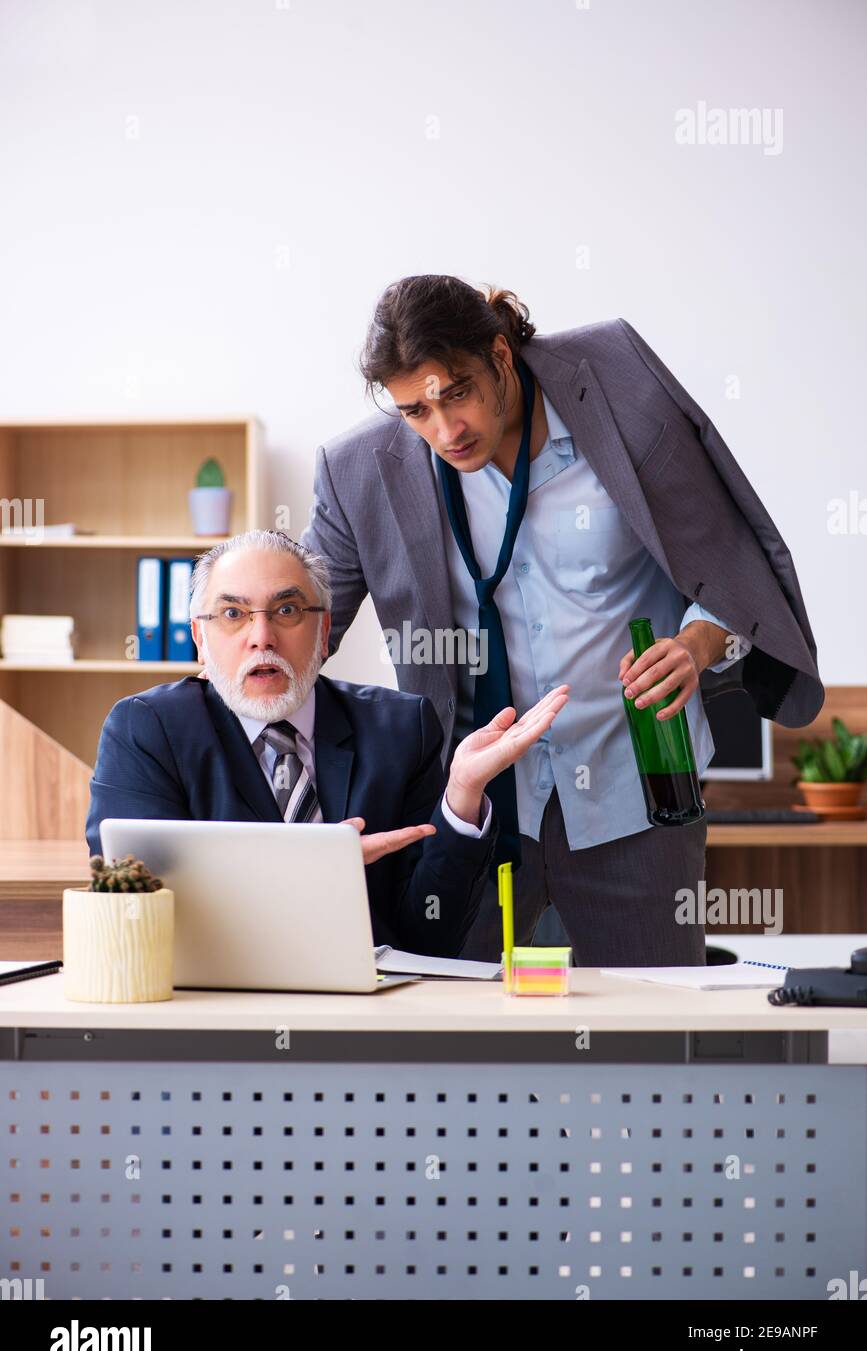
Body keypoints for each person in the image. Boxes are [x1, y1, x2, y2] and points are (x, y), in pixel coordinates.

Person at [300, 275, 824, 965]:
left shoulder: (617, 384)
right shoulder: (357, 468)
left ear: (499, 354)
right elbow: (299, 625)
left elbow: (727, 558)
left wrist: (696, 644)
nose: (444, 430)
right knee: (456, 1047)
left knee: (653, 1039)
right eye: (414, 412)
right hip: (467, 811)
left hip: (636, 790)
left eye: (456, 392)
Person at [85, 529, 568, 957]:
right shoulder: (146, 729)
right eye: (233, 613)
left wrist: (462, 796)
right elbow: (137, 909)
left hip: (365, 1016)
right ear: (200, 641)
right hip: (214, 1010)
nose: (262, 637)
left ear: (322, 633)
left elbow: (430, 939)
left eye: (288, 610)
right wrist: (314, 865)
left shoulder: (402, 728)